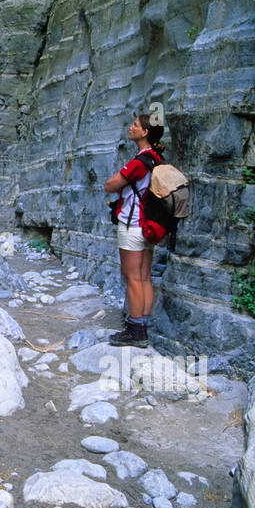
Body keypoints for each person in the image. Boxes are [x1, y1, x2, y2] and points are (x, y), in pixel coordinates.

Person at [102, 114, 165, 347]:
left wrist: (111, 184)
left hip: (132, 224)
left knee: (132, 277)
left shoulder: (140, 162)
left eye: (136, 125)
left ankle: (135, 329)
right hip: (149, 225)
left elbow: (111, 185)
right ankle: (142, 324)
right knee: (145, 276)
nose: (131, 127)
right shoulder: (157, 159)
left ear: (145, 132)